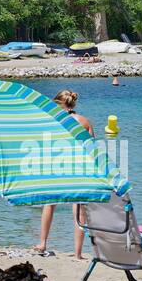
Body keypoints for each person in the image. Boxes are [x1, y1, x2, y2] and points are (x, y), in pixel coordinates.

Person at [32, 90, 93, 257]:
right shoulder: (84, 121)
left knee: (49, 204)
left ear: (59, 104)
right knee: (79, 210)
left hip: (57, 166)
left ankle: (43, 243)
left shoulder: (54, 120)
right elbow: (92, 149)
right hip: (79, 169)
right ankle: (78, 253)